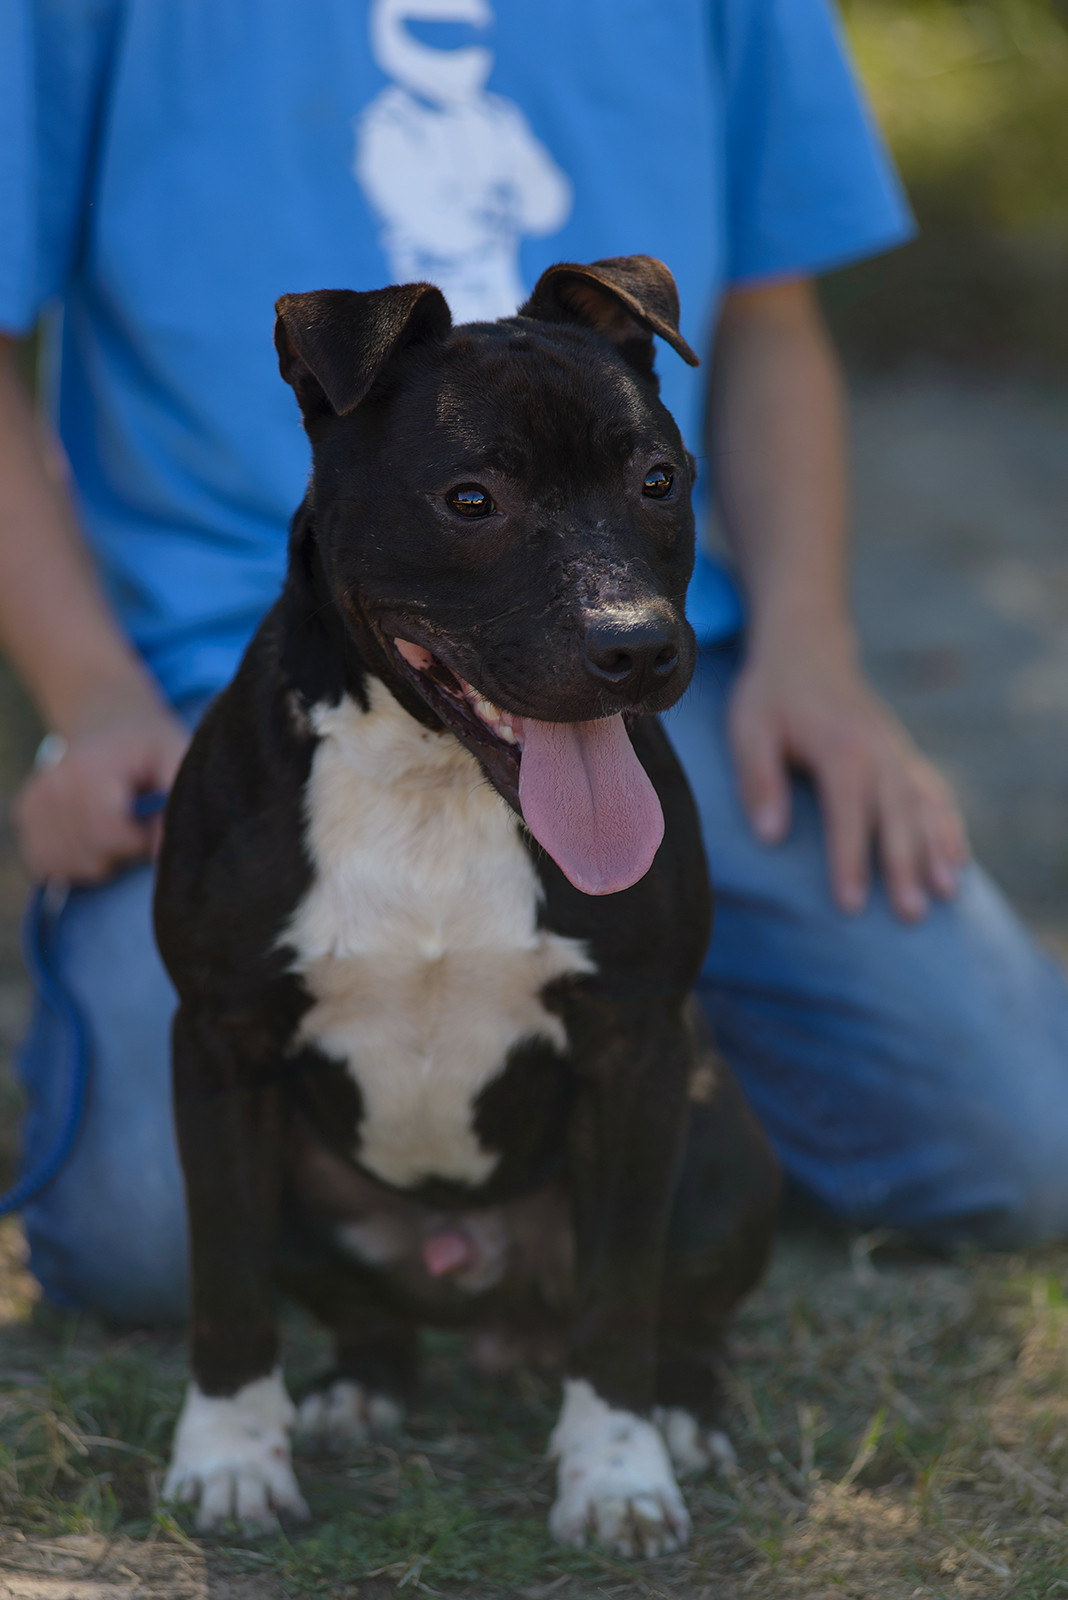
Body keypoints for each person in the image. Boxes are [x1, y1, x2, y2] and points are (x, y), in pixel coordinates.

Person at [2, 0, 1067, 1324]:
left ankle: (611, 1062)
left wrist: (812, 648)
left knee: (1024, 1148)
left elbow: (772, 321)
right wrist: (91, 695)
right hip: (222, 683)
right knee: (144, 1243)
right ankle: (514, 1047)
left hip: (637, 675)